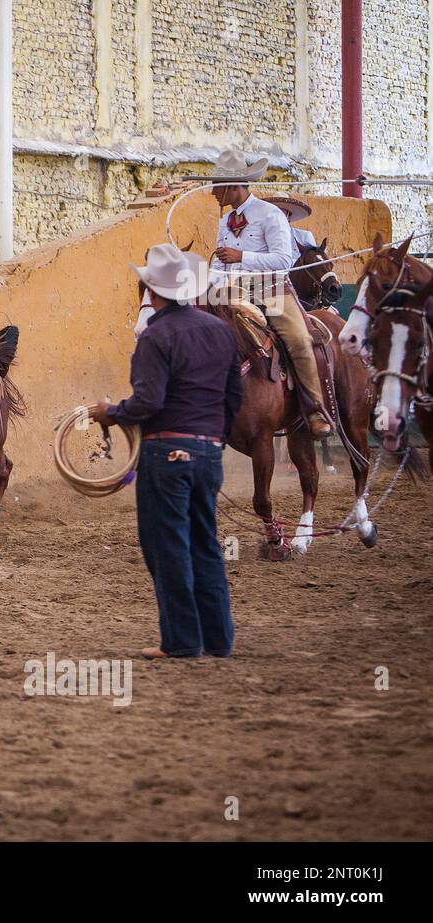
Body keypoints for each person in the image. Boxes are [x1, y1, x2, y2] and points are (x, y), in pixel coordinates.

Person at [92, 244, 243, 659]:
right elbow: (234, 396)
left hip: (166, 455)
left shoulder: (155, 336)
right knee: (205, 543)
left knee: (168, 544)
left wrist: (111, 413)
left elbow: (148, 404)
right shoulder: (221, 332)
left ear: (151, 292)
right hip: (208, 453)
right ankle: (218, 639)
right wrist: (214, 439)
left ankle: (181, 640)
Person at [185, 148, 332, 438]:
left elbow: (284, 259)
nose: (213, 193)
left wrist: (241, 257)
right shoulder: (224, 222)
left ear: (232, 186)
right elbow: (220, 261)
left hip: (272, 292)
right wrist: (205, 276)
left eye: (216, 187)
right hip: (233, 293)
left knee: (299, 340)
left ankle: (314, 408)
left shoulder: (270, 214)